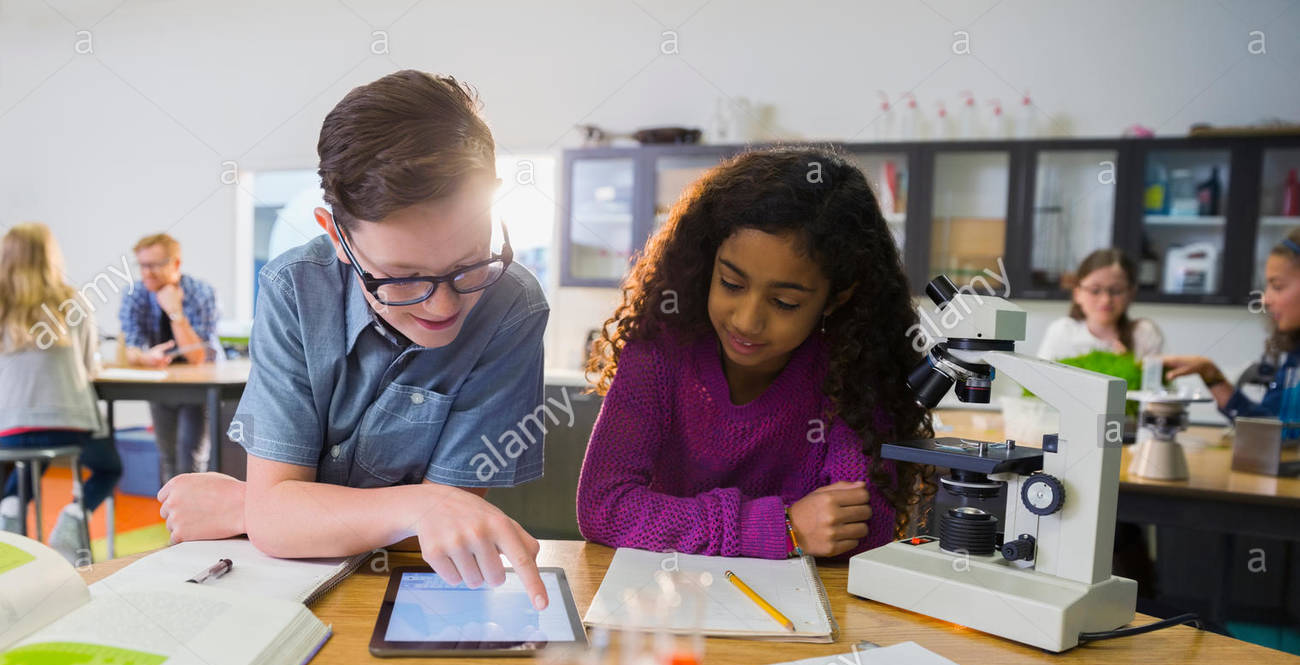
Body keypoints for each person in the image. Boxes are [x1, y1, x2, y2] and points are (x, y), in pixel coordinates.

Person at [158, 71, 551, 608]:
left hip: (405, 592)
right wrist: (278, 512)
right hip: (278, 591)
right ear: (335, 236)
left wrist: (250, 508)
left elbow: (443, 532)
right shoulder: (295, 288)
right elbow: (430, 513)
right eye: (402, 277)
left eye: (469, 264)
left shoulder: (512, 306)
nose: (444, 306)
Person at [576, 147, 931, 559]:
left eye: (784, 303)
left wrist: (679, 524)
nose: (747, 321)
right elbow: (604, 508)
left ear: (836, 298)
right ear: (708, 263)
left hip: (801, 611)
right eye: (731, 283)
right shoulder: (660, 348)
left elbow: (858, 533)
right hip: (662, 601)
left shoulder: (854, 370)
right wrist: (784, 528)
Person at [0, 223, 123, 564]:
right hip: (69, 423)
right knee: (108, 468)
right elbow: (87, 366)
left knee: (27, 456)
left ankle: (9, 509)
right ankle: (74, 518)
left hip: (8, 428)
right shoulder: (73, 301)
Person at [1163, 228, 1300, 433]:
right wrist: (1211, 374)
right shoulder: (1294, 359)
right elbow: (1268, 431)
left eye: (1278, 286)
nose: (1265, 300)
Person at [117, 232, 221, 483]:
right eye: (142, 265)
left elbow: (197, 356)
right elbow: (129, 351)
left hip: (199, 387)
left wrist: (175, 311)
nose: (146, 273)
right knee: (168, 459)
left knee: (192, 461)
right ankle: (173, 521)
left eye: (154, 265)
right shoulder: (136, 295)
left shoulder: (201, 293)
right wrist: (144, 358)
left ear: (175, 264)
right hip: (162, 386)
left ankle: (198, 520)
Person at [1037, 248, 1164, 362]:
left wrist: (1128, 366)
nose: (1105, 300)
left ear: (1131, 293)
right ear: (1077, 294)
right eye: (1095, 290)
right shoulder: (1062, 331)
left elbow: (1153, 384)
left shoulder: (1144, 333)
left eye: (1116, 291)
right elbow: (1039, 381)